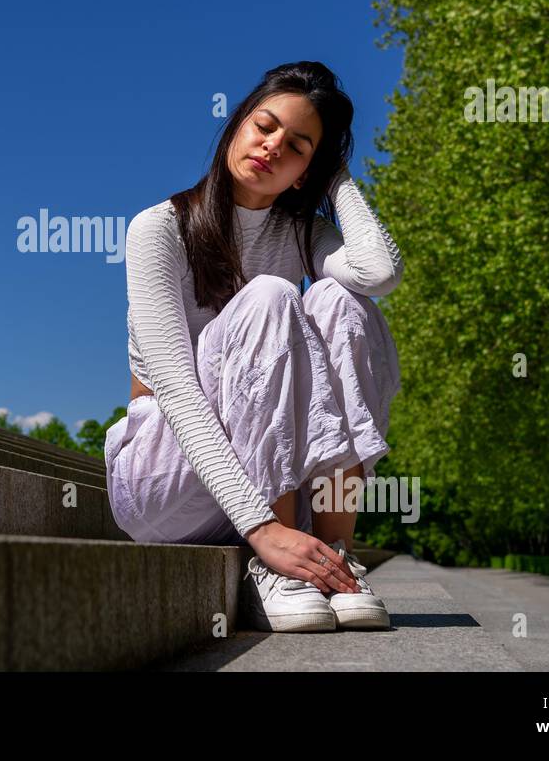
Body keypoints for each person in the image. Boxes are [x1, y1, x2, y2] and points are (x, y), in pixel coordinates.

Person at [104, 61, 403, 632]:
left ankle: (335, 557)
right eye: (263, 126)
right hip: (166, 485)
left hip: (274, 488)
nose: (271, 147)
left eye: (296, 146)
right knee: (270, 295)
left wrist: (335, 176)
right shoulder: (159, 228)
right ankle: (279, 567)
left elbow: (378, 271)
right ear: (237, 125)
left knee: (342, 302)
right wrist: (262, 530)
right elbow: (179, 394)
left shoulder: (301, 231)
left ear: (303, 173)